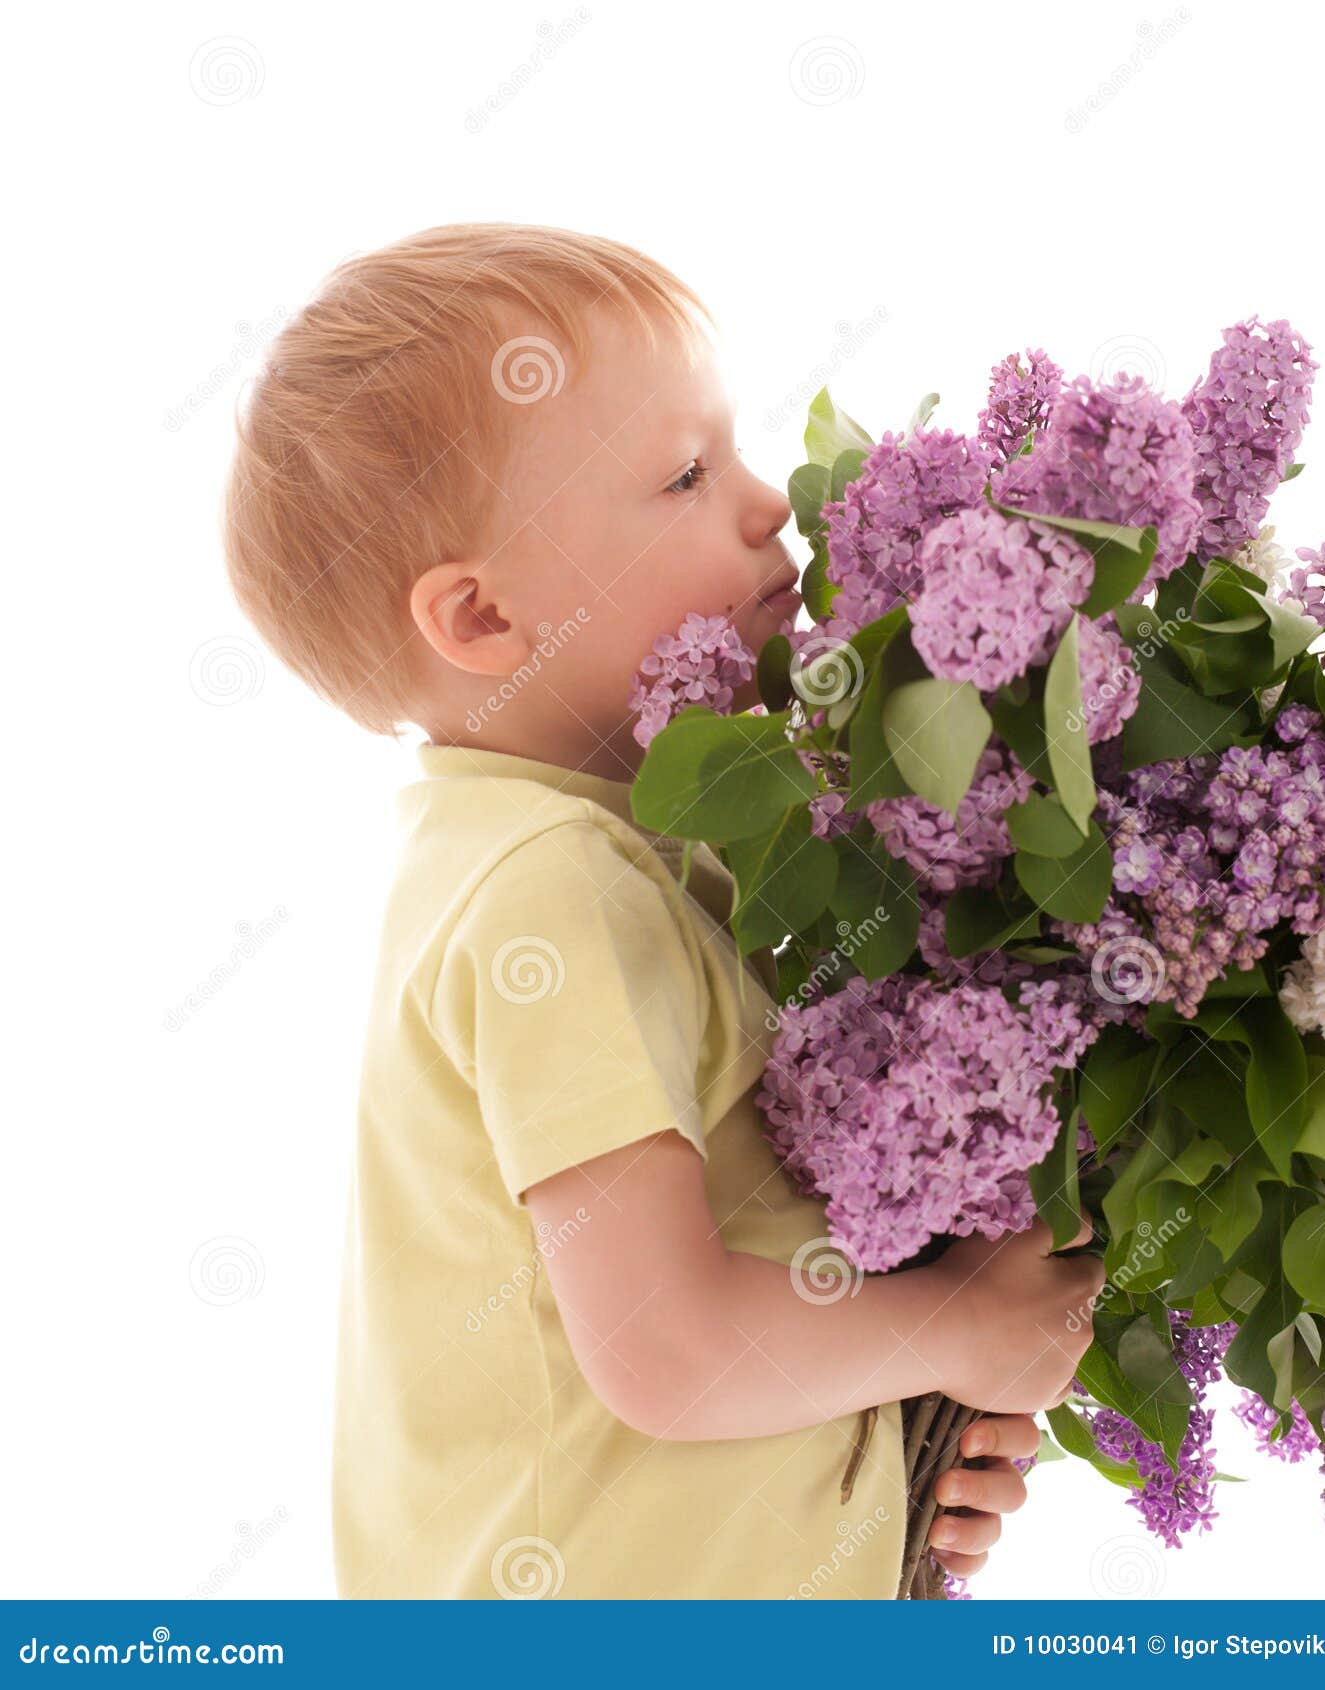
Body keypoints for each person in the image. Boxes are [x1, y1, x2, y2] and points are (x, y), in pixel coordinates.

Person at [221, 222, 1106, 1599]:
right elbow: (668, 1347)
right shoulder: (545, 890)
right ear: (483, 618)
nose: (767, 506)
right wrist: (953, 1333)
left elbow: (746, 1289)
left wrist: (900, 1446)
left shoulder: (613, 856)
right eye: (686, 476)